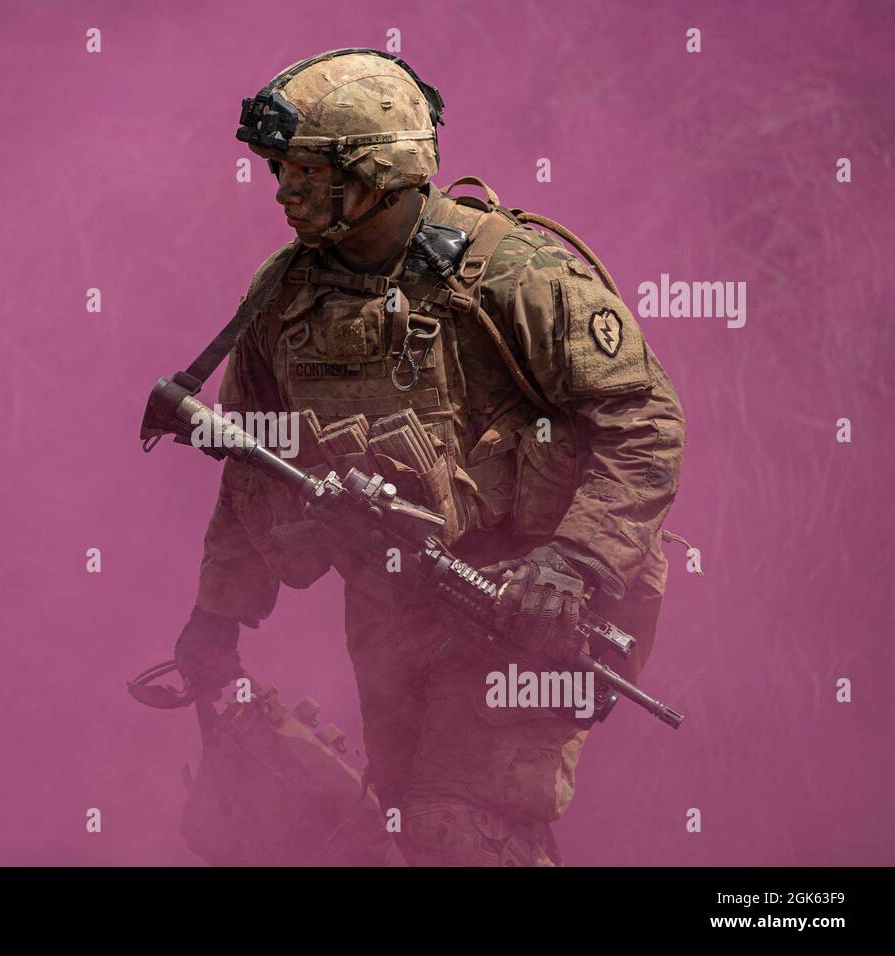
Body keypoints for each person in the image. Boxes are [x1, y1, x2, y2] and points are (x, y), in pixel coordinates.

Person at [172, 48, 685, 866]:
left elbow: (643, 419)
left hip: (530, 604)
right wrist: (218, 615)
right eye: (280, 171)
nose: (284, 192)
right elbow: (255, 461)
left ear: (378, 171)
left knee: (463, 820)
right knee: (407, 817)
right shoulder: (284, 295)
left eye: (309, 172)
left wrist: (574, 562)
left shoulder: (512, 275)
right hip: (395, 609)